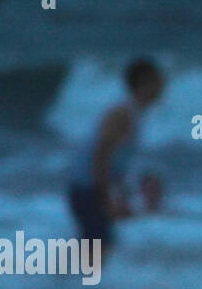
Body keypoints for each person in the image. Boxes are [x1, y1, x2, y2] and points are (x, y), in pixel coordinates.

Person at [67, 58, 165, 267]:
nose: (162, 87)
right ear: (143, 83)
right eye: (158, 81)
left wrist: (119, 193)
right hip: (87, 187)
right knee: (99, 247)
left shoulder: (135, 114)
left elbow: (115, 162)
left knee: (97, 246)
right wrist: (105, 196)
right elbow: (100, 154)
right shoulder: (122, 114)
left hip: (91, 187)